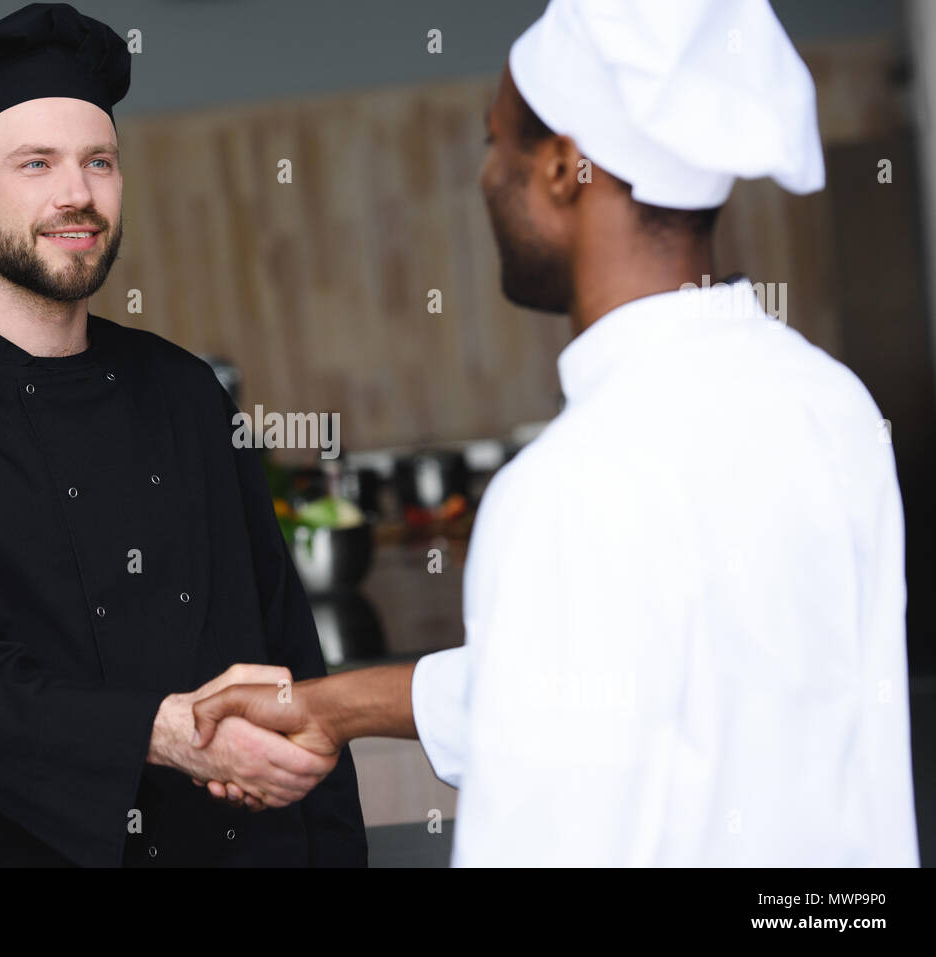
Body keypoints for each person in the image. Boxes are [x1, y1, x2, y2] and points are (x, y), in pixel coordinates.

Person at [191, 0, 920, 866]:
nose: (486, 175)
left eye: (499, 142)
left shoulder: (568, 488)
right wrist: (331, 707)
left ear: (568, 166)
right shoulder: (830, 406)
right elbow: (637, 688)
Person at [0, 2, 366, 867]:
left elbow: (286, 648)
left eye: (98, 161)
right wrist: (164, 731)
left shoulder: (186, 391)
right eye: (36, 164)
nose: (77, 194)